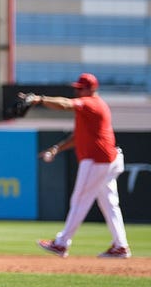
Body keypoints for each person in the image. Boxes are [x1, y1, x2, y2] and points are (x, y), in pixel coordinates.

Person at [22, 73, 131, 259]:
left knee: (80, 200)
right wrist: (56, 149)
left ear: (92, 89)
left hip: (98, 160)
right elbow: (76, 137)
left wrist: (39, 99)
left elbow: (65, 104)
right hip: (109, 159)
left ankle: (61, 243)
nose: (78, 91)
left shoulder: (92, 103)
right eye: (77, 88)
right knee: (110, 203)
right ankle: (121, 246)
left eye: (81, 88)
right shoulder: (88, 109)